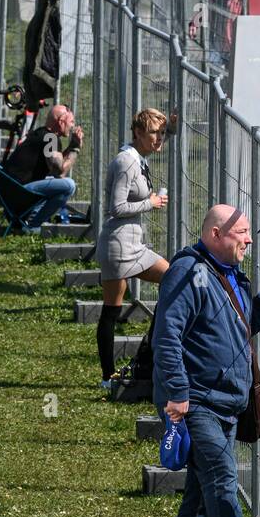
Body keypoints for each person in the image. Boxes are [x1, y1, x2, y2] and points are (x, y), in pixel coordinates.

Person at [154, 204, 260, 517]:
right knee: (223, 477)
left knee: (199, 503)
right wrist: (177, 393)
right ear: (215, 235)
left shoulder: (231, 276)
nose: (248, 239)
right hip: (196, 404)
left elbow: (237, 329)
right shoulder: (189, 271)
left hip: (226, 406)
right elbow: (167, 335)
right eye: (240, 232)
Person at [95, 108, 172, 388]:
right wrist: (149, 203)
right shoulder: (126, 162)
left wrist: (170, 127)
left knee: (174, 278)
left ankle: (150, 350)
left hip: (134, 245)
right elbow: (116, 208)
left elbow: (160, 139)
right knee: (111, 311)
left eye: (161, 133)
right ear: (137, 133)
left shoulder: (138, 156)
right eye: (154, 133)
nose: (159, 139)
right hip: (117, 246)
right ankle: (107, 377)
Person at [2, 104, 84, 232]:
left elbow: (56, 164)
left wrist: (71, 146)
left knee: (56, 181)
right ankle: (34, 225)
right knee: (69, 185)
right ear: (61, 121)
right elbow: (60, 171)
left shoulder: (42, 134)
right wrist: (75, 148)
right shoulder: (50, 138)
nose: (73, 126)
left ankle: (31, 218)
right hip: (19, 194)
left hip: (12, 195)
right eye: (71, 121)